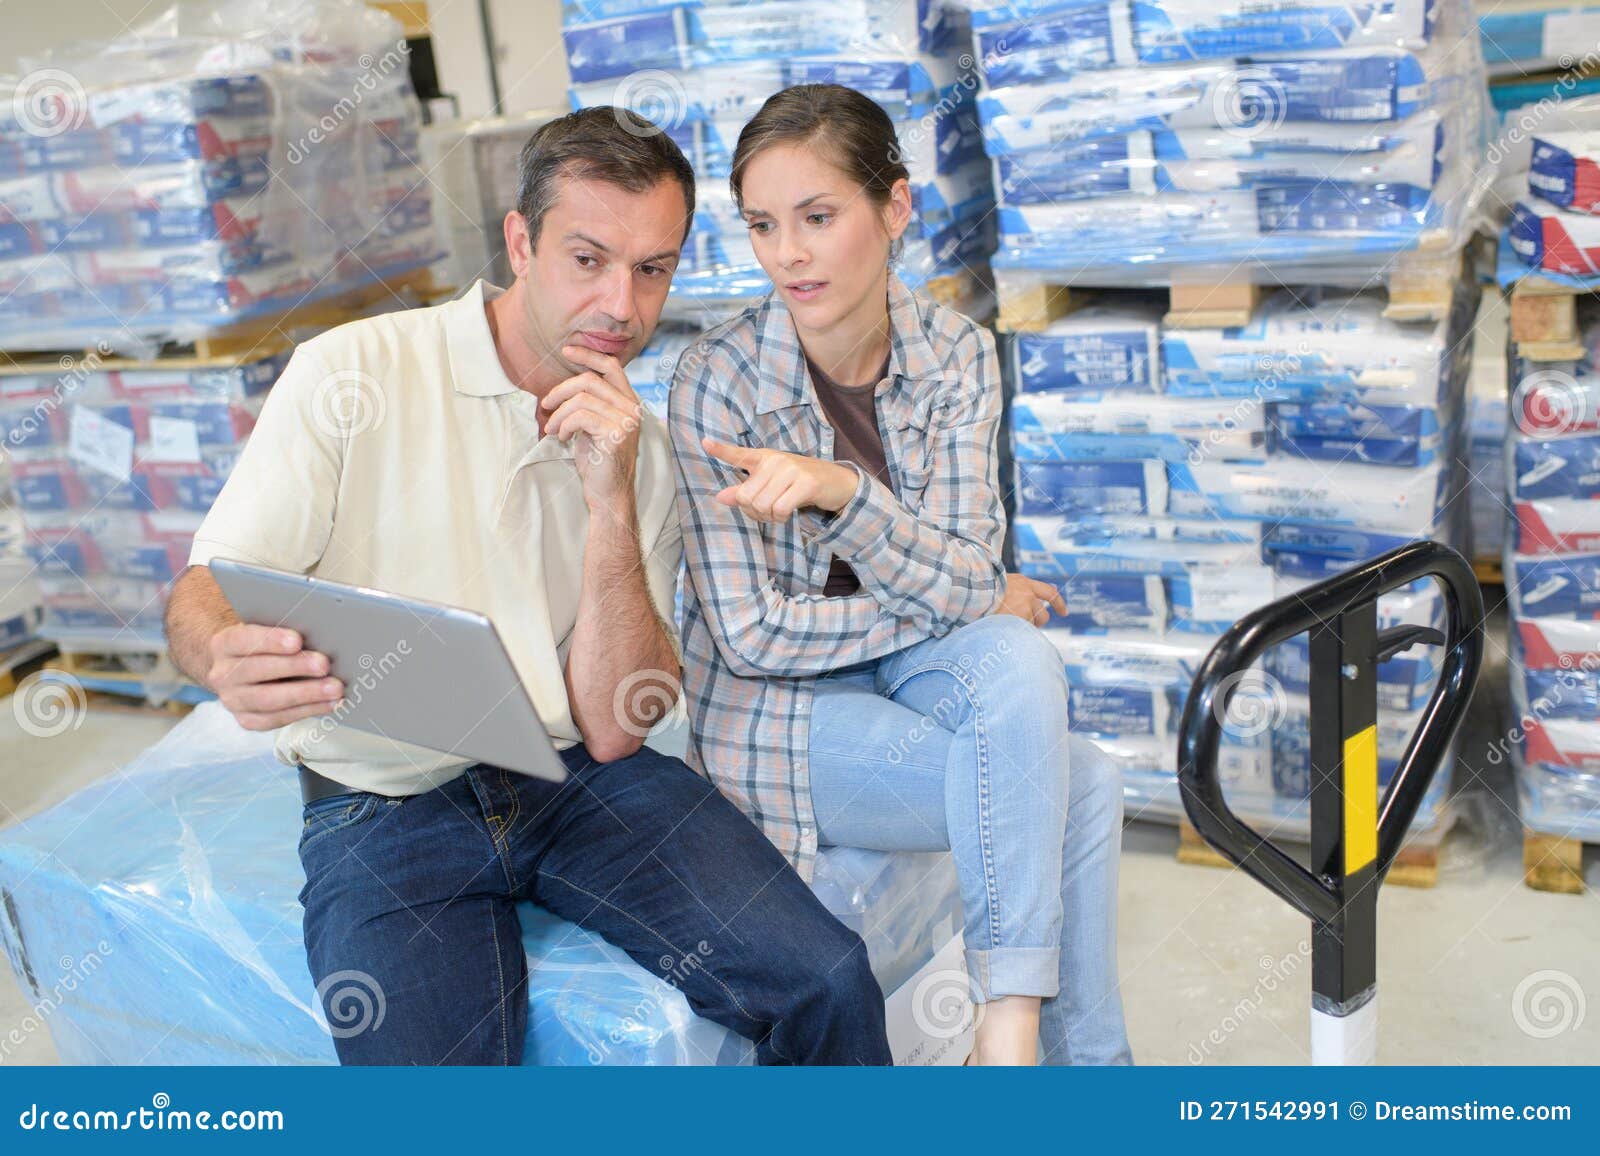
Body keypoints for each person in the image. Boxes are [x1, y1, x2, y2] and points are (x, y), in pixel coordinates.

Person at [164, 107, 891, 1067]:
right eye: (587, 259)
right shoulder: (353, 373)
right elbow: (205, 587)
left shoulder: (647, 447)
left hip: (576, 778)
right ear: (519, 240)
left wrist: (607, 501)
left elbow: (615, 727)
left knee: (827, 981)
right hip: (381, 798)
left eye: (652, 269)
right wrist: (221, 650)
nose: (623, 308)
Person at [668, 85, 1131, 1065]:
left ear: (896, 208)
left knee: (1013, 655)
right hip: (781, 713)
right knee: (1077, 781)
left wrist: (844, 492)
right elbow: (753, 634)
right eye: (761, 225)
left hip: (908, 672)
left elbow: (973, 583)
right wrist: (947, 595)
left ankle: (1005, 1038)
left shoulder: (956, 353)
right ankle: (1065, 1076)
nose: (786, 253)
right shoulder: (715, 379)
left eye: (817, 217)